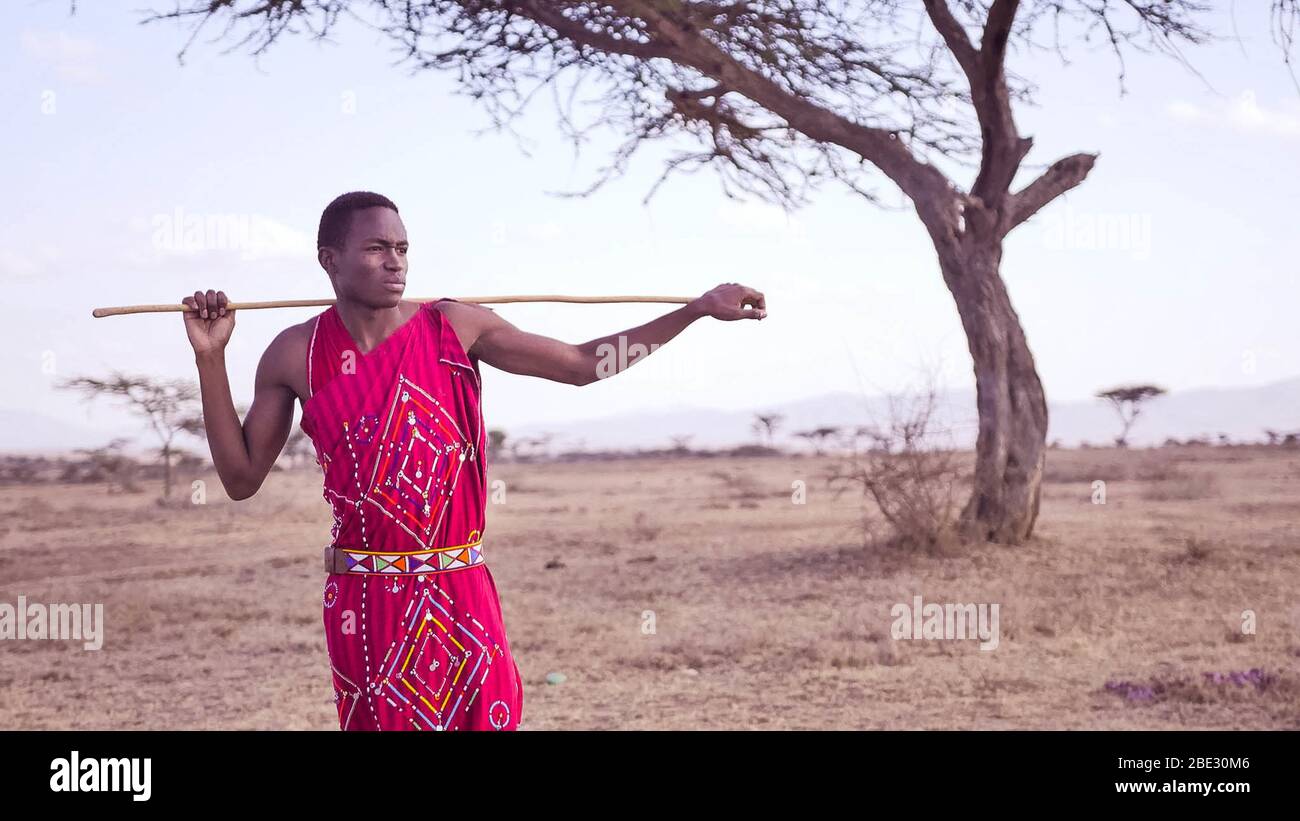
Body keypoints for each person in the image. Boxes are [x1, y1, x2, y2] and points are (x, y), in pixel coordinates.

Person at [182, 190, 766, 730]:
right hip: (366, 601)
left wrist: (693, 312)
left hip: (462, 590)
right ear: (329, 260)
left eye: (402, 248)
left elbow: (584, 366)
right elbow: (239, 479)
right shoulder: (295, 353)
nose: (396, 262)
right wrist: (211, 358)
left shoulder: (454, 326)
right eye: (377, 248)